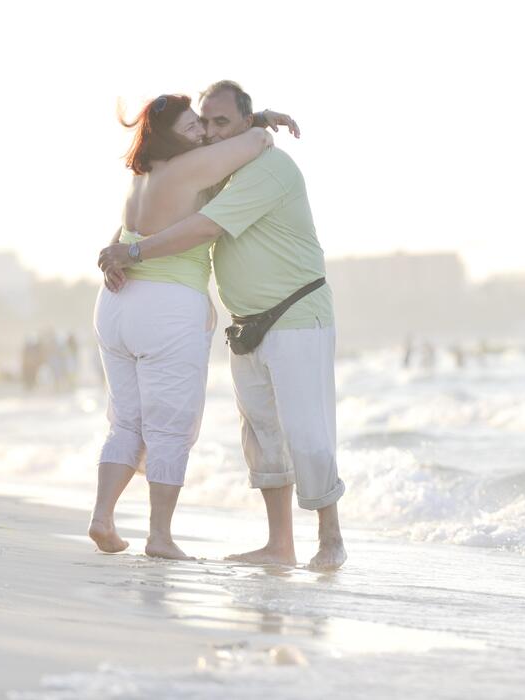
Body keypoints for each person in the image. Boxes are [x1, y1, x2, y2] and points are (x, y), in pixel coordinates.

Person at [99, 80, 347, 571]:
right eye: (204, 123)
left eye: (220, 123)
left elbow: (204, 227)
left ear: (244, 122)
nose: (210, 133)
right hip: (247, 324)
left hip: (297, 314)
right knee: (262, 438)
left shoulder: (269, 168)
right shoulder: (216, 173)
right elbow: (163, 211)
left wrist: (130, 252)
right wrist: (120, 246)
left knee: (308, 434)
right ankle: (280, 545)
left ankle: (330, 539)